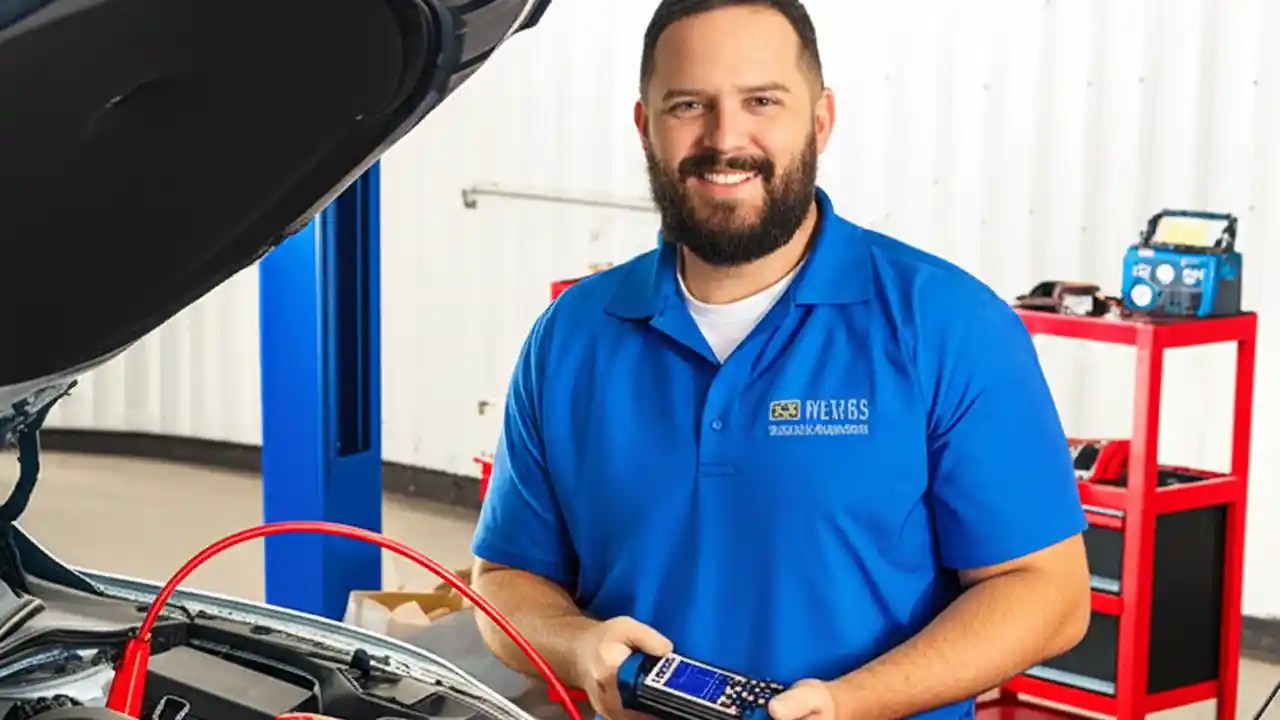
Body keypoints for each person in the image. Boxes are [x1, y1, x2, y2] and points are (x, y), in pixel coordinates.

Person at [469, 1, 1092, 719]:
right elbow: (504, 577)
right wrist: (577, 647)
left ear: (820, 120)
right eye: (688, 104)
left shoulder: (949, 325)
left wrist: (849, 703)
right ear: (646, 126)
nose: (725, 138)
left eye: (761, 101)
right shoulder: (571, 336)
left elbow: (1047, 592)